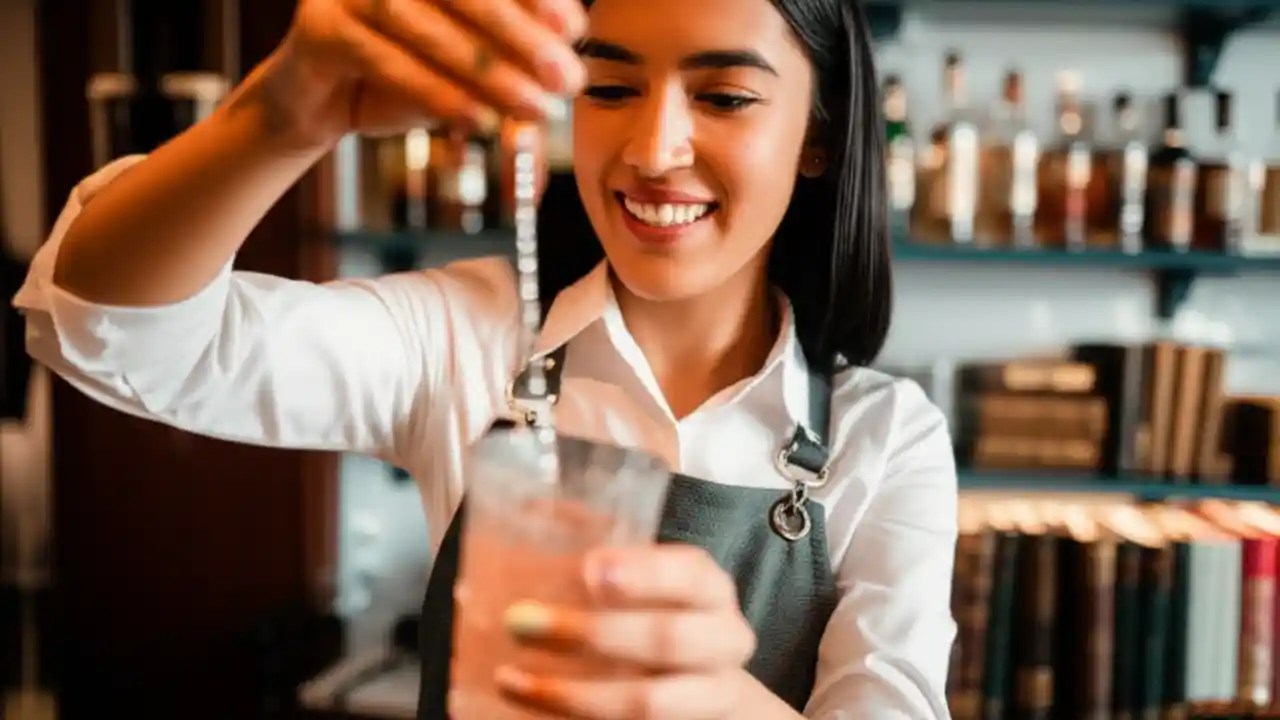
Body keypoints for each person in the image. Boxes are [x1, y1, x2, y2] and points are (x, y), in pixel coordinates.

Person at [13, 0, 959, 717]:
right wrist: (280, 116)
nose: (654, 147)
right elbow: (107, 329)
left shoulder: (887, 439)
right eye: (611, 86)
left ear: (820, 137)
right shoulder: (462, 338)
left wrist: (715, 697)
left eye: (724, 97)